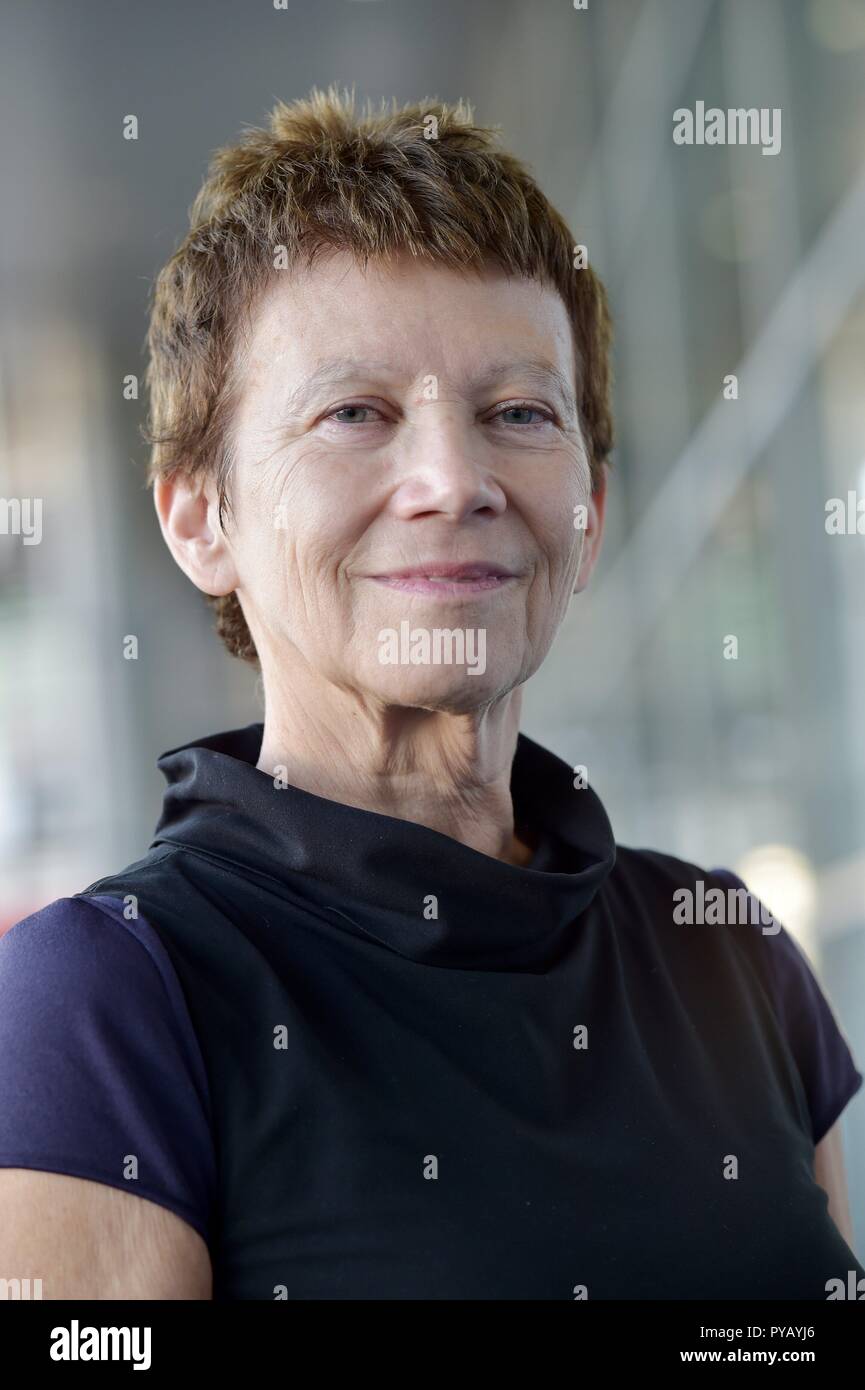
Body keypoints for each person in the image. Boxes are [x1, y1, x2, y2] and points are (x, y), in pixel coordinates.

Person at [0, 87, 861, 1301]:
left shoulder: (729, 957)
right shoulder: (110, 999)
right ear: (201, 518)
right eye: (355, 414)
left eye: (518, 413)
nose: (453, 480)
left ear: (590, 513)